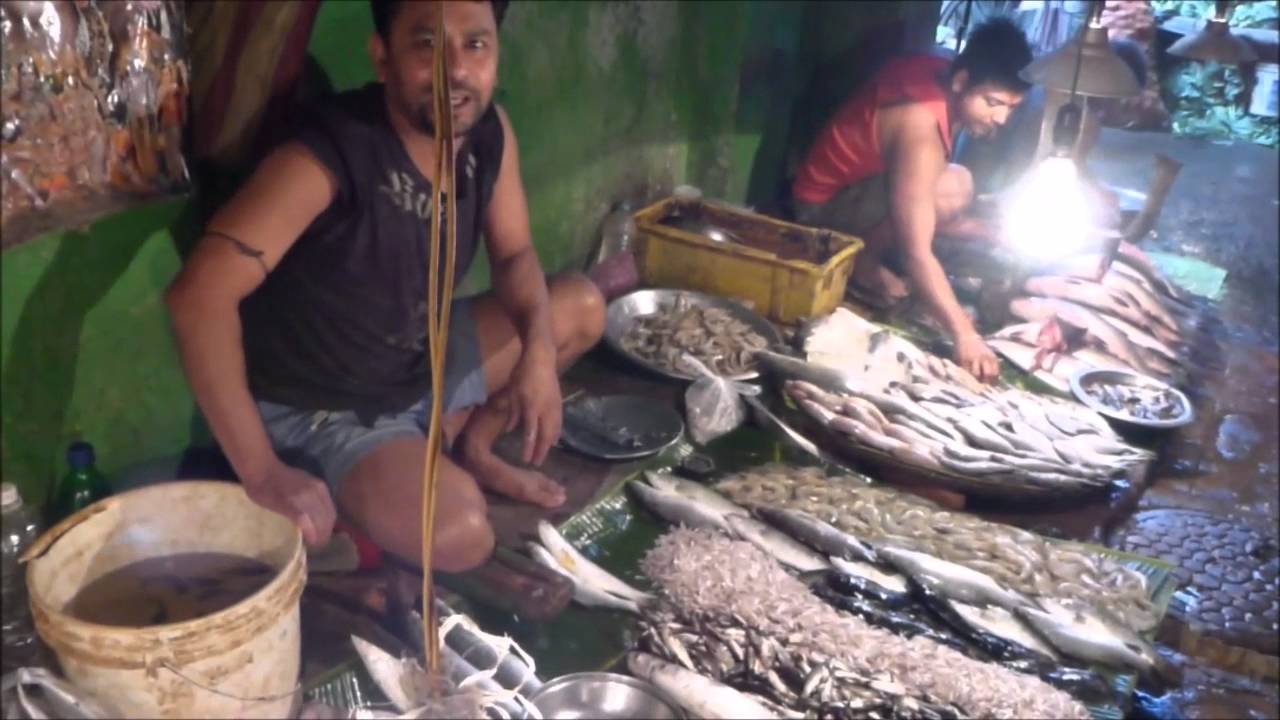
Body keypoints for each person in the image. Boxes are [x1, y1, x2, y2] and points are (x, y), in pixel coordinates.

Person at [164, 0, 606, 574]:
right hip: (323, 406)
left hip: (420, 361)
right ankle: (381, 472)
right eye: (427, 46)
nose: (455, 71)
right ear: (382, 57)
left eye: (476, 45)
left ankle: (465, 443)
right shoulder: (327, 158)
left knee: (580, 308)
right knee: (461, 534)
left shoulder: (489, 134)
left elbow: (516, 253)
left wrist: (539, 356)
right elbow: (197, 297)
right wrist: (264, 473)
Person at [791, 17, 1033, 382]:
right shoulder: (920, 125)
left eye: (1012, 107)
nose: (1001, 118)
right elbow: (915, 253)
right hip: (817, 214)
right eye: (992, 102)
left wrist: (979, 230)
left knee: (958, 182)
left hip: (853, 184)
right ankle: (861, 263)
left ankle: (870, 250)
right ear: (962, 82)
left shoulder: (942, 69)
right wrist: (965, 336)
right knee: (947, 190)